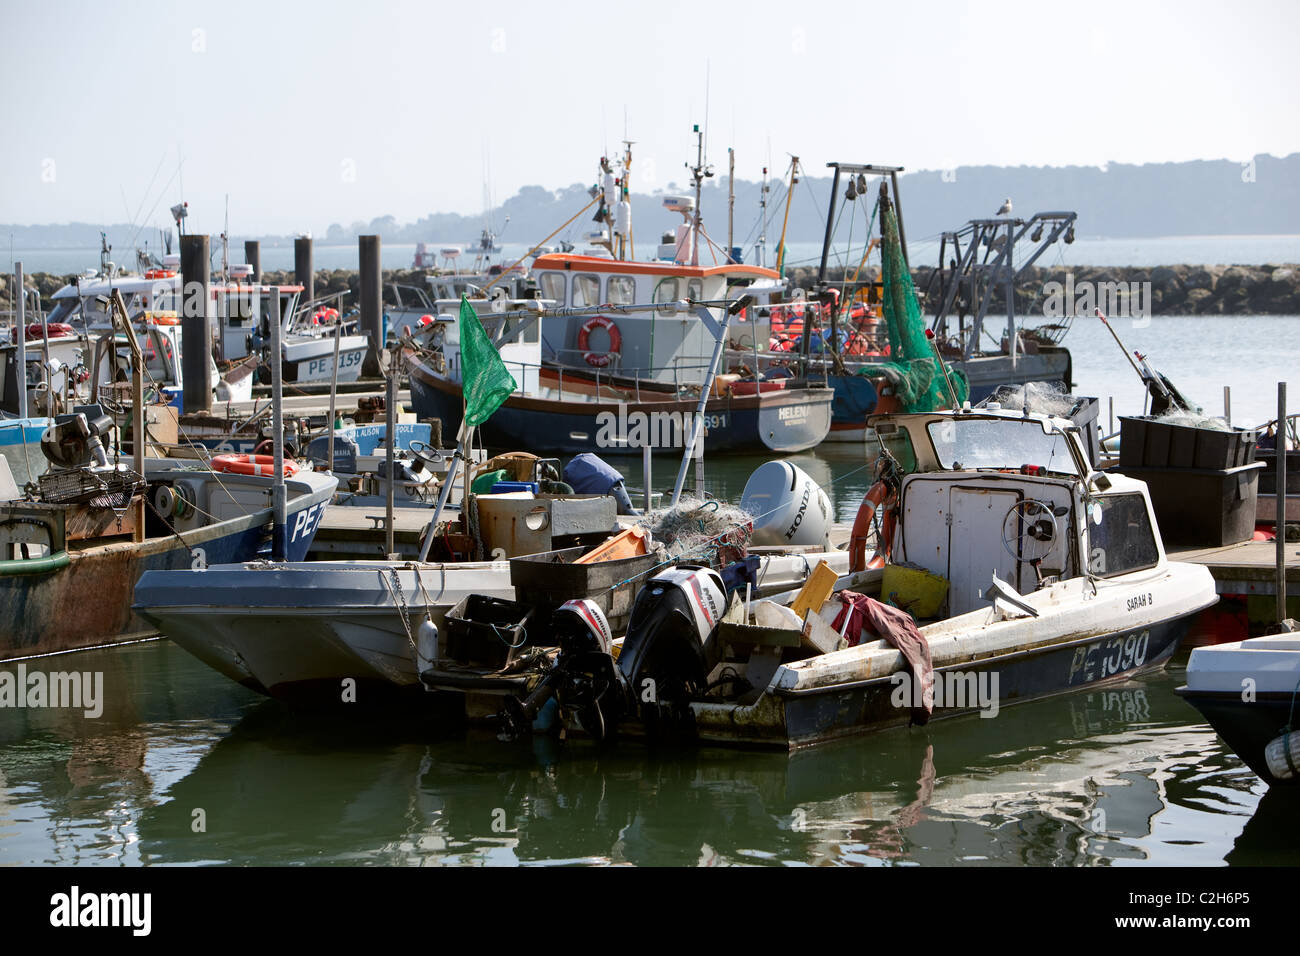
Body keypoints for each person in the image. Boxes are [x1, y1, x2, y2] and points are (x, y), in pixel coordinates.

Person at [563, 453, 641, 515]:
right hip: (614, 480)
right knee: (627, 510)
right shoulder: (586, 459)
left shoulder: (571, 474)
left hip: (609, 485)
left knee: (626, 510)